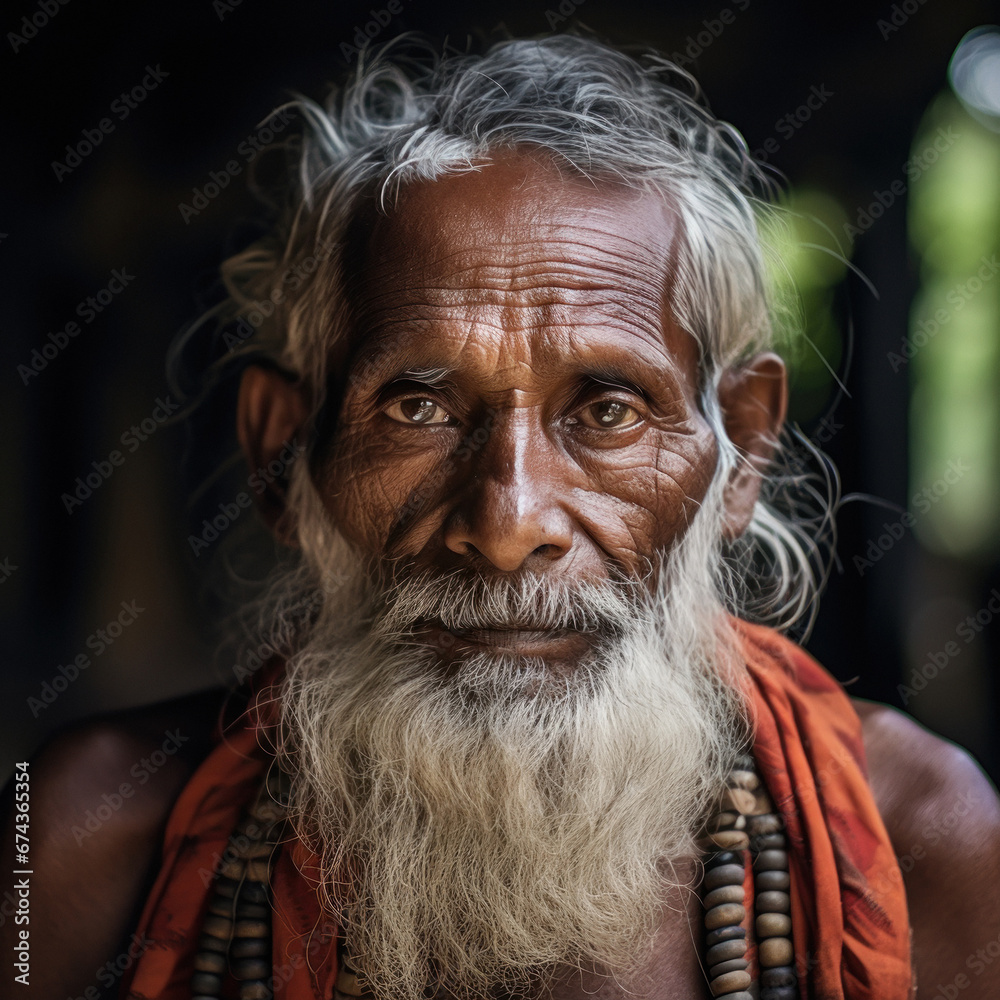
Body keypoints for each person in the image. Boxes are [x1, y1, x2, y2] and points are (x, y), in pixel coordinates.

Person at [3, 33, 999, 1000]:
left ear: (739, 451)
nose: (509, 521)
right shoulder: (78, 843)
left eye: (608, 410)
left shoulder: (924, 841)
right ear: (280, 454)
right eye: (417, 406)